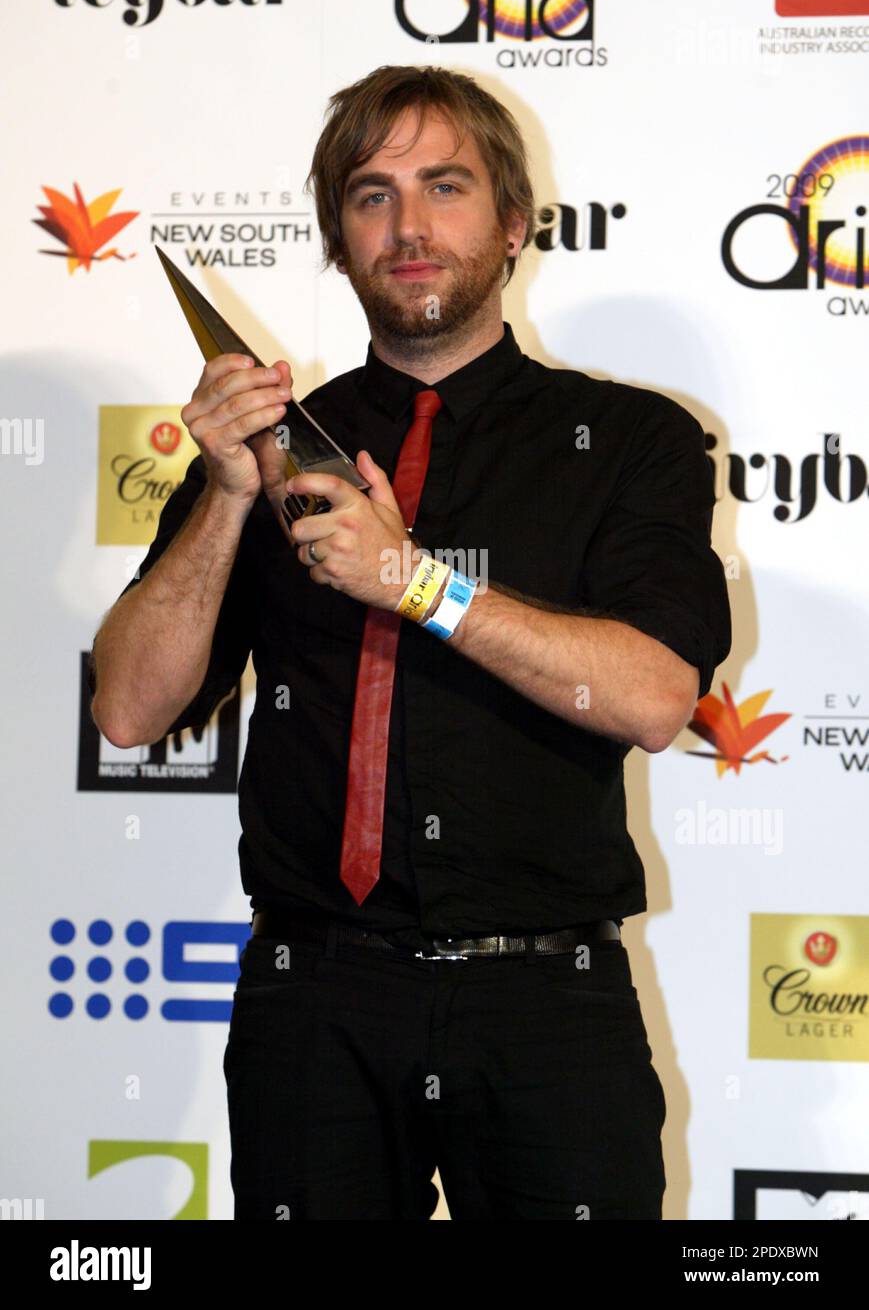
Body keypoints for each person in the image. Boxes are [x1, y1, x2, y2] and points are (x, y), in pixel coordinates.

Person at [88, 64, 732, 1221]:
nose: (408, 227)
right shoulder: (274, 445)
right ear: (338, 240)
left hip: (546, 1010)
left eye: (445, 186)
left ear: (514, 223)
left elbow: (650, 699)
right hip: (311, 1003)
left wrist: (414, 584)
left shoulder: (628, 440)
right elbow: (129, 710)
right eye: (371, 195)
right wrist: (229, 494)